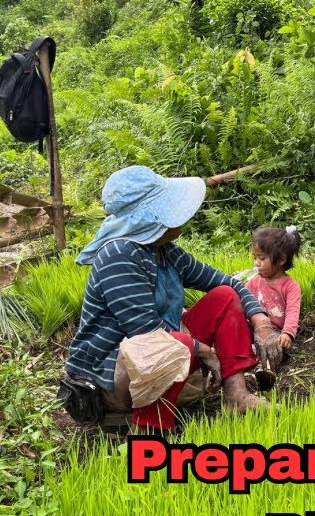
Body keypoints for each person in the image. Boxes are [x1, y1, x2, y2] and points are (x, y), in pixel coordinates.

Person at [65, 166, 283, 432]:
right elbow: (146, 331)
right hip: (108, 377)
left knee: (224, 297)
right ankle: (150, 429)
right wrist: (204, 351)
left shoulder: (164, 251)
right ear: (150, 217)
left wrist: (260, 321)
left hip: (149, 358)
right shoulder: (118, 255)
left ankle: (236, 395)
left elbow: (227, 283)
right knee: (172, 343)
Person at [246, 225, 303, 354]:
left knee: (276, 347)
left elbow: (292, 313)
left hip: (275, 332)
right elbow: (240, 302)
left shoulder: (291, 286)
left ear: (281, 260)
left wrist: (287, 333)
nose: (256, 263)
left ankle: (265, 368)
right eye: (255, 258)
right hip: (253, 327)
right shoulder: (253, 282)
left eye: (262, 258)